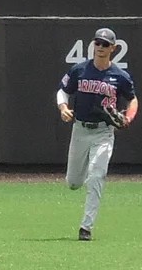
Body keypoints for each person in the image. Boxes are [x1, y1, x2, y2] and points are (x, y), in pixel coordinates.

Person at [56, 27, 137, 240]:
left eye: (105, 44)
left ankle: (86, 227)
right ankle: (80, 178)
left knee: (96, 176)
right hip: (80, 130)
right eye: (97, 43)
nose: (100, 47)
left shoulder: (120, 76)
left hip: (104, 132)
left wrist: (128, 117)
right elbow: (63, 90)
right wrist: (63, 107)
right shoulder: (80, 70)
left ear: (113, 48)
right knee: (74, 182)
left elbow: (132, 98)